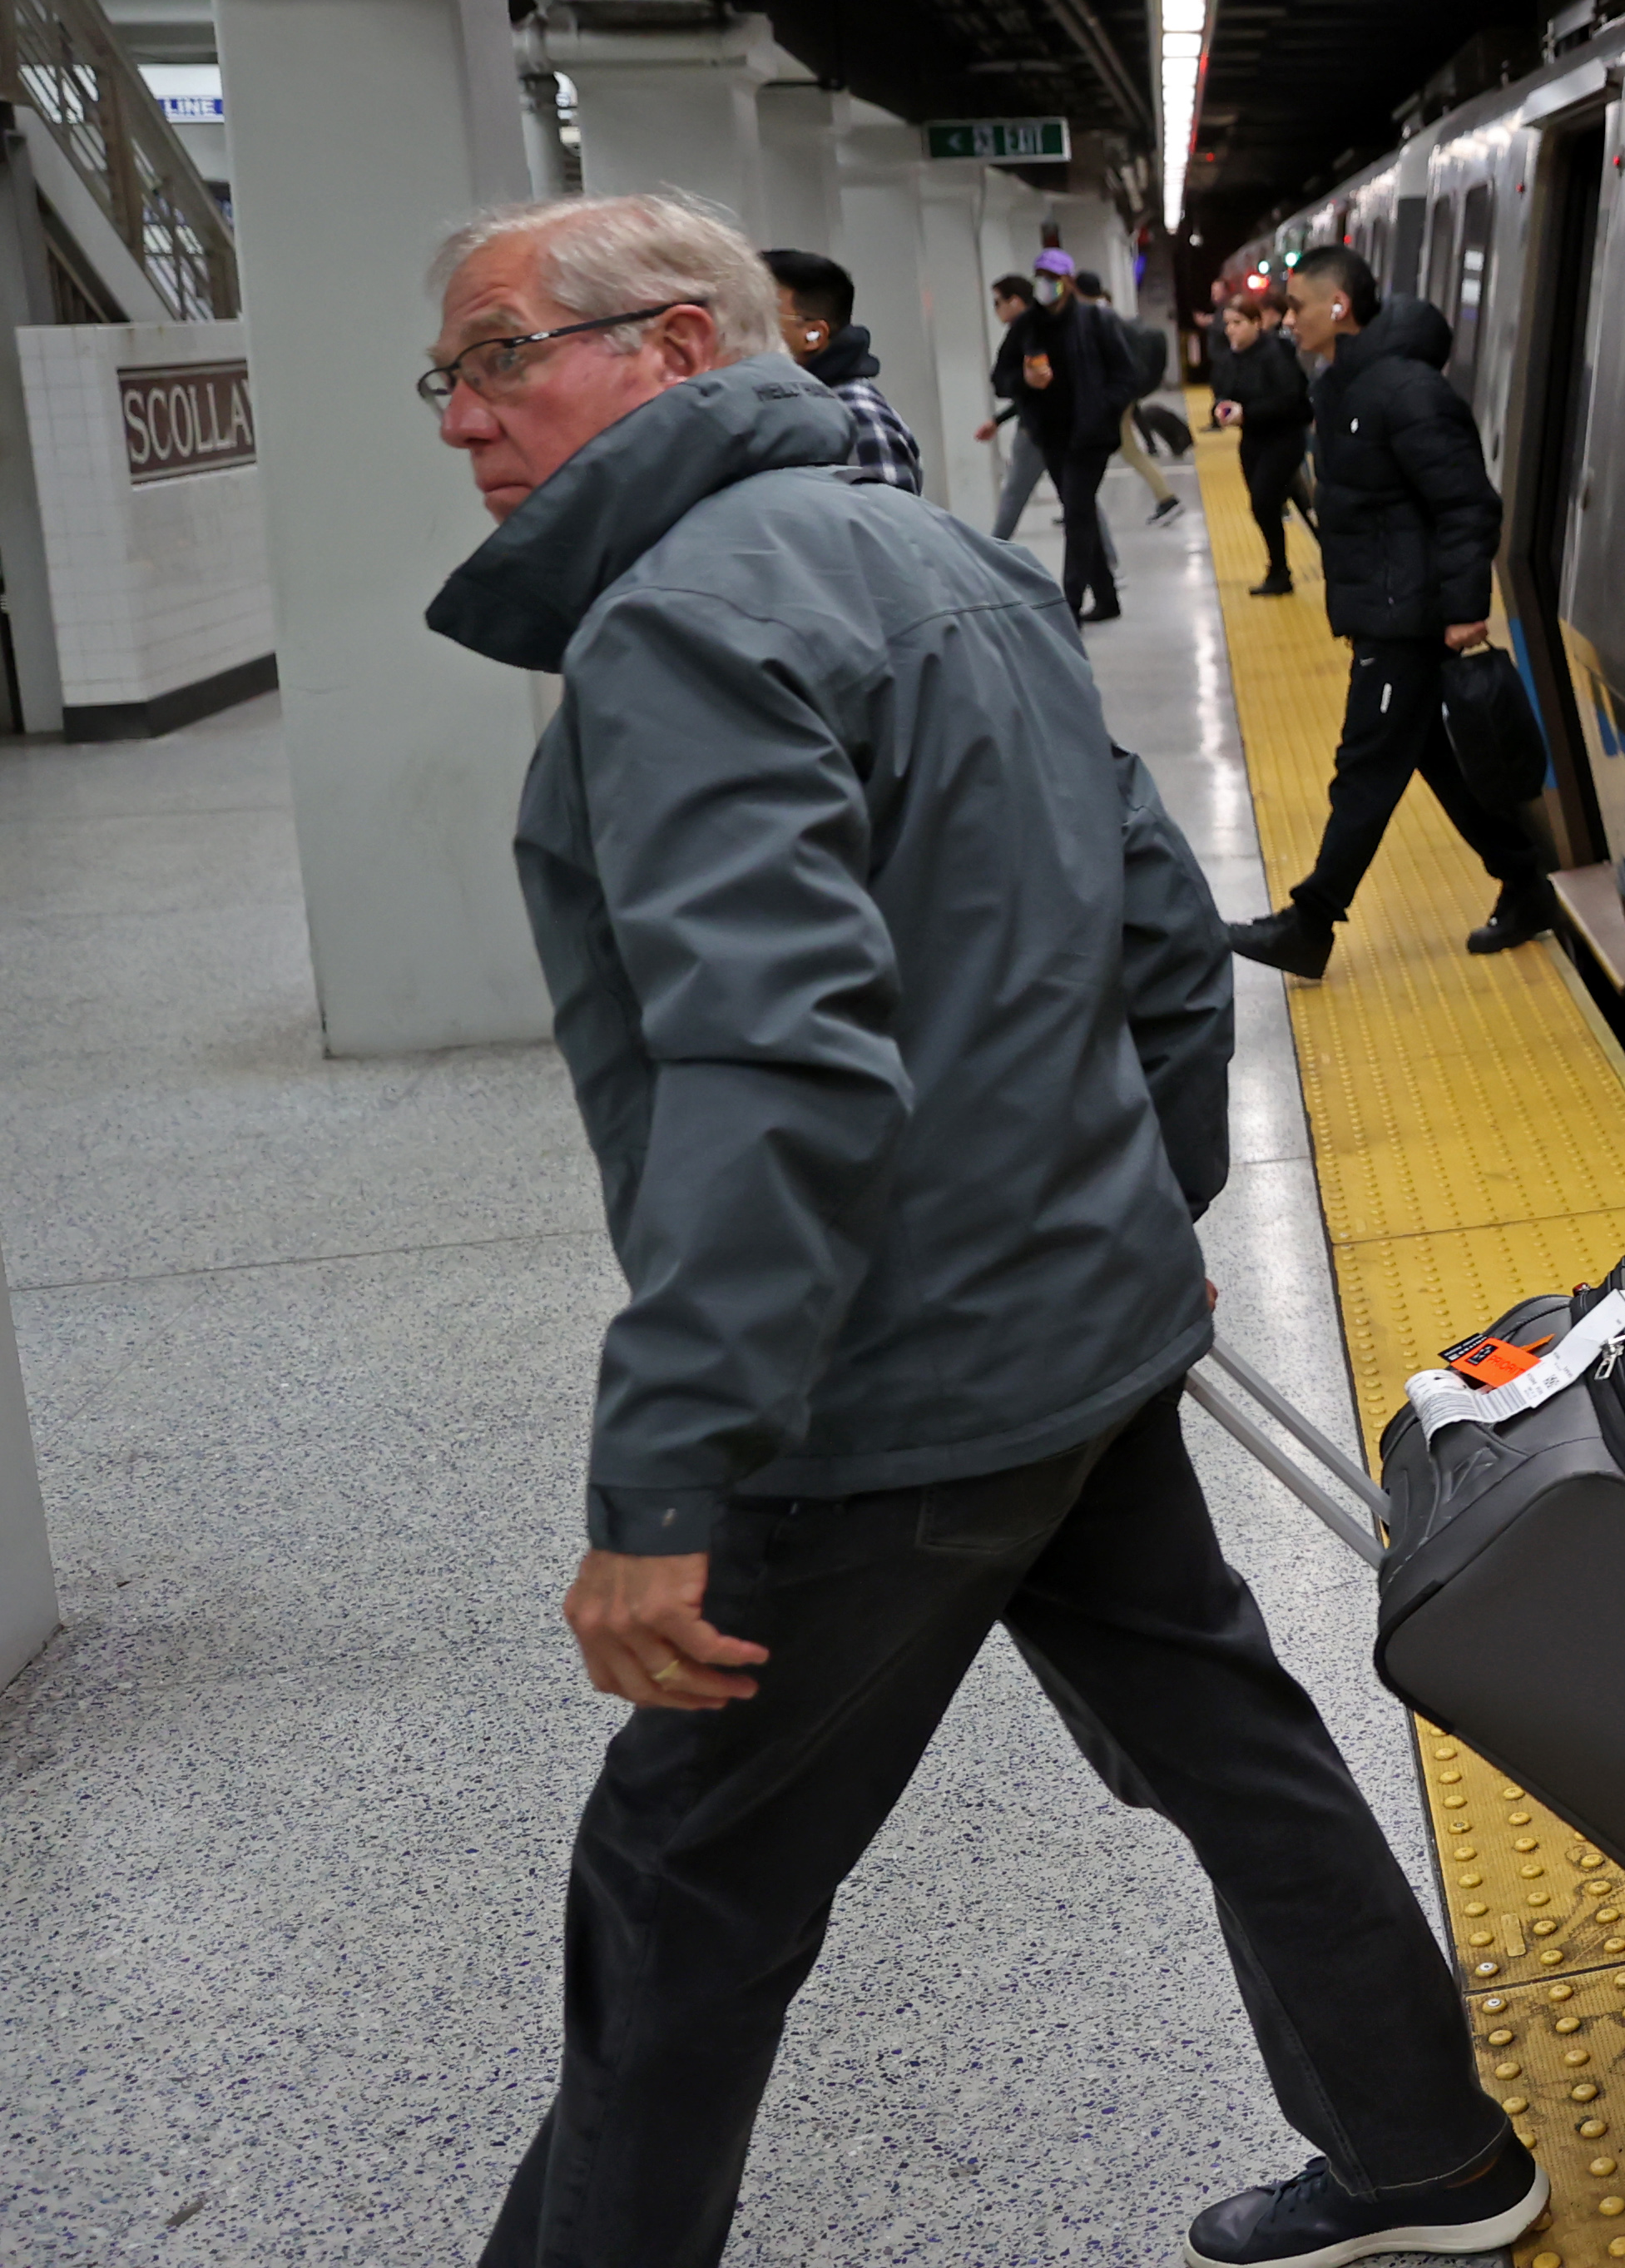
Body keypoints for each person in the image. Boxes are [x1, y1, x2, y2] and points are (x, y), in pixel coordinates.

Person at [413, 193, 1542, 2268]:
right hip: (1064, 1333)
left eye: (498, 357)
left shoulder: (675, 627)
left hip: (888, 1394)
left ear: (672, 350)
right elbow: (1161, 941)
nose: (461, 417)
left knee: (685, 1894)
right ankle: (1426, 2153)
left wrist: (667, 1476)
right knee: (1227, 1736)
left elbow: (775, 1073)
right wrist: (1140, 1219)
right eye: (450, 374)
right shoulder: (944, 559)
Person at [1226, 245, 1546, 976]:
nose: (1286, 320)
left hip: (1414, 613)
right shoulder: (1343, 387)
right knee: (1430, 756)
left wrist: (1464, 610)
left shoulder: (1404, 393)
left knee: (1366, 764)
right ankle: (1525, 879)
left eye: (1297, 306)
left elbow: (1468, 503)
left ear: (1339, 307)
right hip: (1387, 608)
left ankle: (1311, 923)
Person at [758, 246, 924, 494]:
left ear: (813, 335)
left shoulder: (856, 418)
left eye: (758, 318)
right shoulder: (785, 407)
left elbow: (889, 529)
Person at [1023, 252, 1128, 624]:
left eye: (1050, 277)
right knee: (1080, 511)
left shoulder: (1096, 320)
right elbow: (1002, 375)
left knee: (1076, 511)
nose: (1044, 284)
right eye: (1039, 277)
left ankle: (1069, 605)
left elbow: (1126, 372)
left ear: (1068, 280)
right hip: (1053, 437)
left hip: (1090, 436)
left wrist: (1104, 408)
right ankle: (1106, 597)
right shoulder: (1032, 326)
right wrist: (1025, 380)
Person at [1208, 289, 1313, 598]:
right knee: (1274, 499)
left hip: (1284, 438)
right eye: (1228, 324)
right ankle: (1289, 562)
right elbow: (1222, 390)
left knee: (1264, 502)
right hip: (1254, 439)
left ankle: (1280, 571)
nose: (1231, 330)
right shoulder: (1231, 358)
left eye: (1238, 323)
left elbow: (1289, 399)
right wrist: (1220, 408)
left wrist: (1247, 412)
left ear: (1257, 323)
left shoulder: (1277, 353)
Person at [1071, 266, 1187, 524]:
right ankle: (1080, 504)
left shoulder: (1094, 320)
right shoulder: (1108, 315)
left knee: (1124, 451)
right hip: (1122, 394)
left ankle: (1167, 499)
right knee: (1114, 451)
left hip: (1112, 398)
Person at [977, 271, 1057, 542]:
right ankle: (1110, 565)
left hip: (1036, 433)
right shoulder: (1046, 327)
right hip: (1059, 427)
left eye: (998, 302)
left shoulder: (1026, 332)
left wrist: (1021, 382)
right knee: (1081, 498)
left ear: (1015, 301)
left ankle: (992, 559)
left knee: (1013, 498)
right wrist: (999, 420)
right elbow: (1032, 388)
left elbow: (1013, 382)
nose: (996, 310)